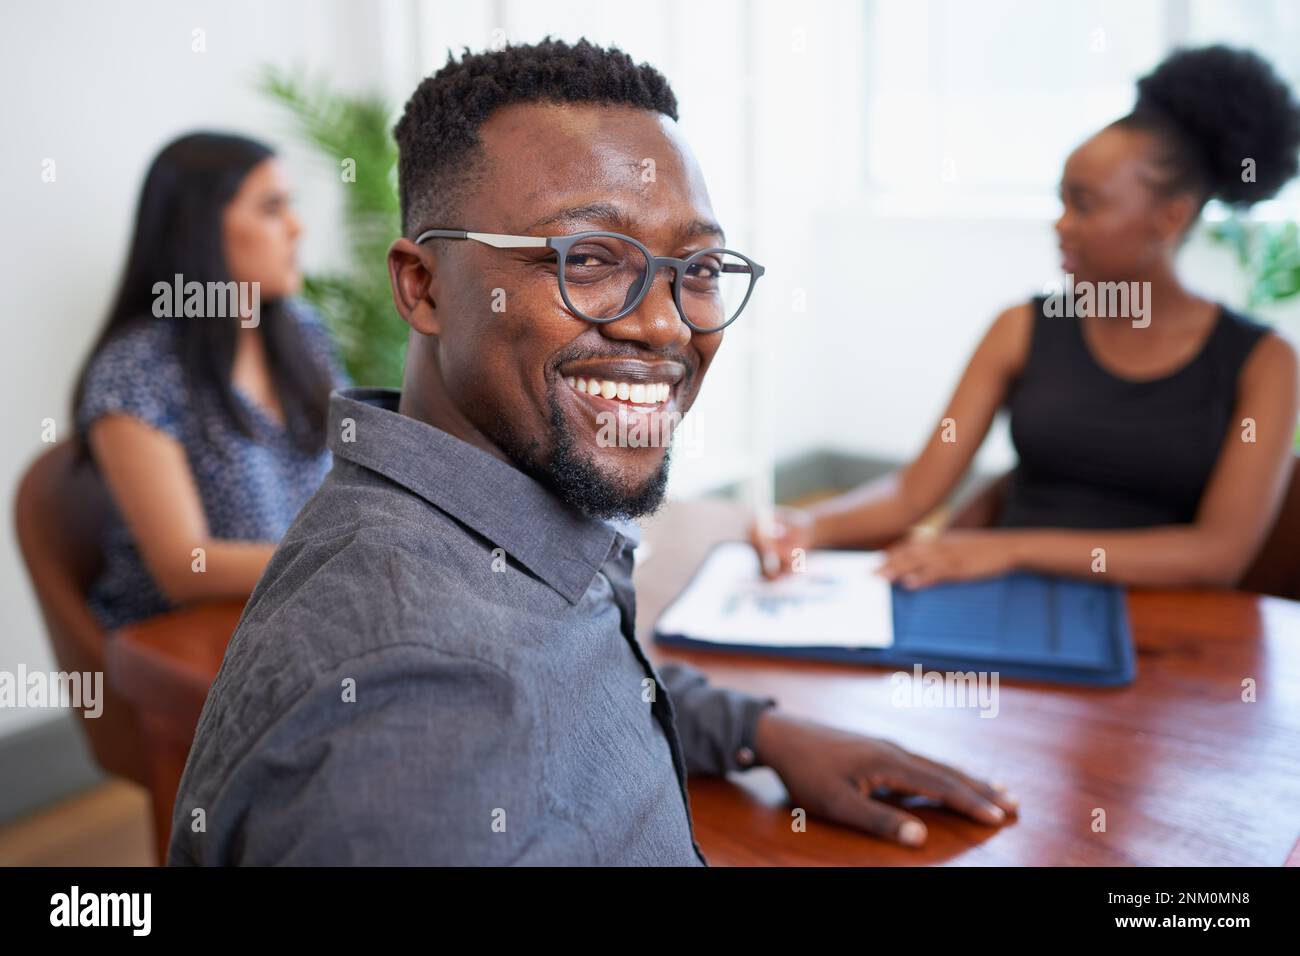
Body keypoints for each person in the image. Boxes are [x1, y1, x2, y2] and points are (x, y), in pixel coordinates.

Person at [169, 39, 1017, 866]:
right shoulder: (417, 712)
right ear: (422, 286)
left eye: (699, 266)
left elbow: (571, 661)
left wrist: (760, 732)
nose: (664, 323)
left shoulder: (499, 518)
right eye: (589, 259)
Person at [754, 46, 1300, 591]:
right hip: (1006, 606)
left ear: (1168, 218)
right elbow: (914, 492)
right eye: (1061, 202)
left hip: (1164, 631)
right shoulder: (1021, 327)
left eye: (1085, 204)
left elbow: (1216, 555)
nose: (1061, 226)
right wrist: (808, 525)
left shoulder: (1264, 362)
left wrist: (1009, 549)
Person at [72, 132, 348, 631]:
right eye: (271, 208)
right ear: (198, 231)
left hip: (301, 610)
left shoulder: (301, 331)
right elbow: (183, 568)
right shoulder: (136, 370)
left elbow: (355, 471)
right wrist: (348, 557)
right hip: (188, 640)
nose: (296, 227)